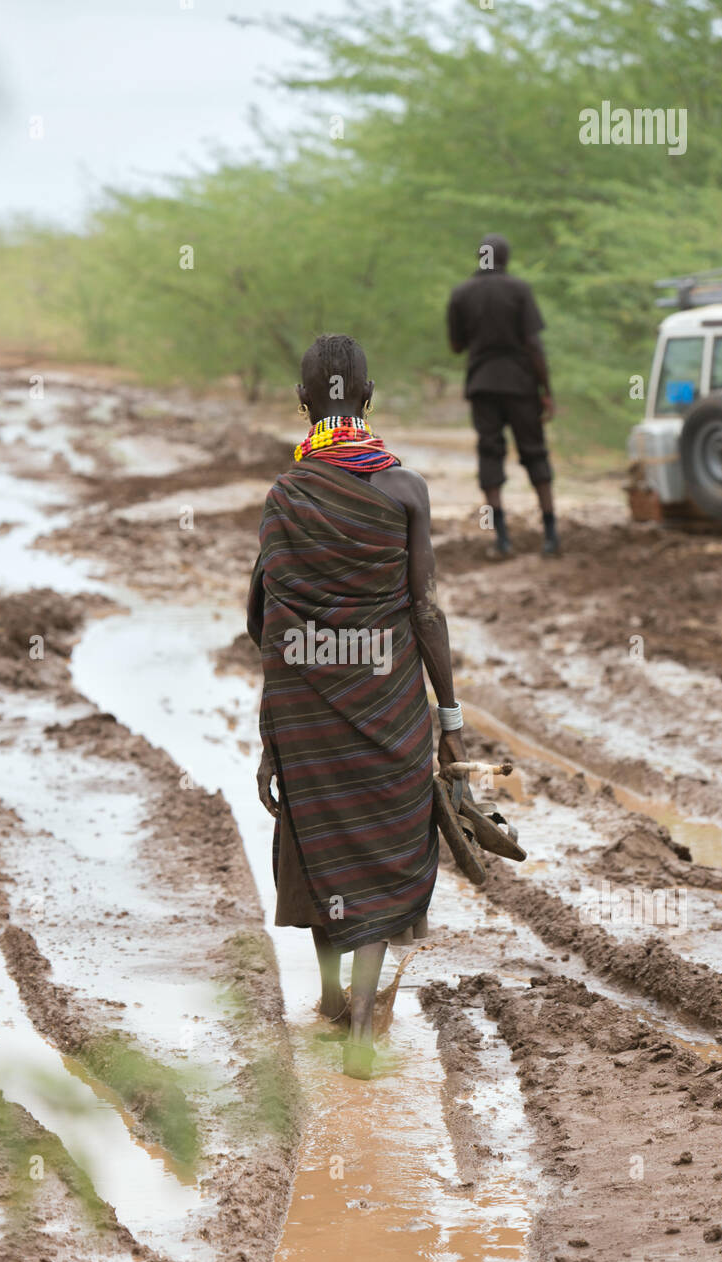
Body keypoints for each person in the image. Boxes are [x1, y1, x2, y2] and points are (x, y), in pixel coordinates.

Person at [247, 334, 466, 1080]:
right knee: (381, 850)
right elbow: (426, 611)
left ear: (303, 404)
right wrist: (453, 720)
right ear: (369, 400)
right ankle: (366, 1028)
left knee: (322, 845)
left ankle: (333, 997)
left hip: (307, 711)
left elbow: (265, 623)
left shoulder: (286, 496)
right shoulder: (406, 491)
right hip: (393, 707)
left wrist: (272, 738)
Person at [447, 233, 560, 557]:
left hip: (482, 385)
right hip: (521, 385)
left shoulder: (461, 294)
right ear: (507, 259)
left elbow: (456, 346)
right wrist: (546, 390)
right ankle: (551, 535)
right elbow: (534, 345)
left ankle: (502, 540)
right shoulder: (519, 290)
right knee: (535, 452)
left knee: (490, 453)